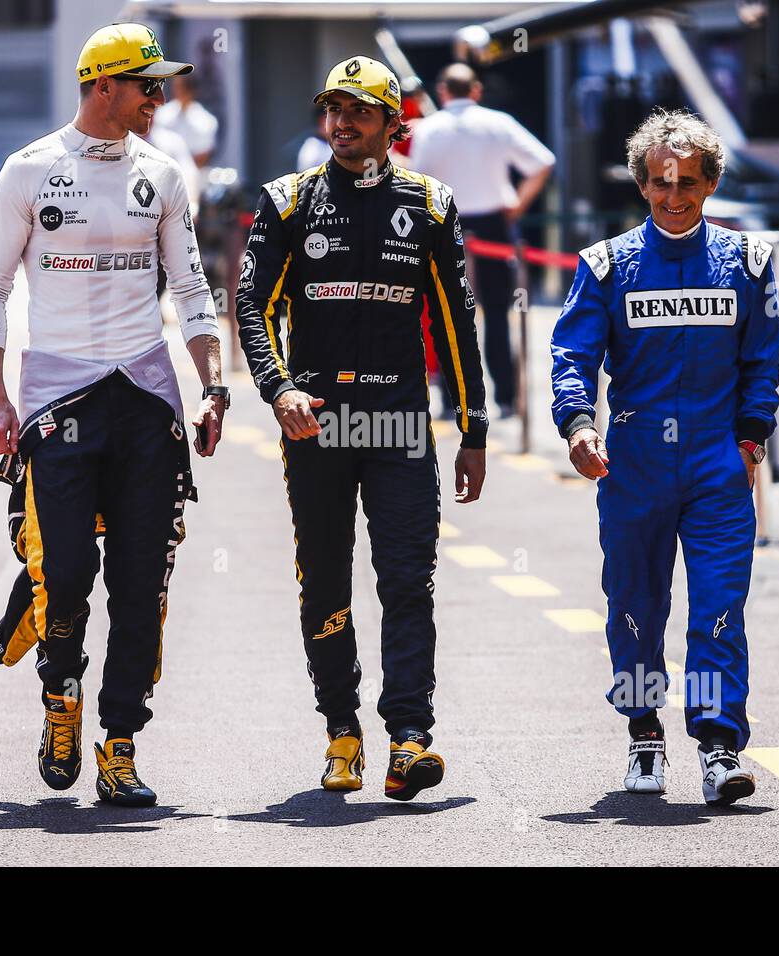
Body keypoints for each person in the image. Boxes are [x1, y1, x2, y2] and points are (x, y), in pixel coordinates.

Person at [0, 22, 227, 808]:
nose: (160, 97)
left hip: (148, 398)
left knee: (143, 583)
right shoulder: (31, 169)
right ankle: (60, 697)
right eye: (148, 85)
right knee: (67, 573)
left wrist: (213, 384)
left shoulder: (164, 170)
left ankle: (120, 744)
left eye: (161, 85)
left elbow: (190, 288)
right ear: (103, 86)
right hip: (59, 398)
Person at [236, 55, 487, 802]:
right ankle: (341, 732)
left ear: (391, 124)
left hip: (402, 425)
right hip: (317, 428)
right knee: (327, 585)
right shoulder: (288, 200)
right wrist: (278, 389)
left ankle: (409, 740)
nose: (341, 126)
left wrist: (473, 430)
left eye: (359, 113)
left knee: (409, 581)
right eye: (332, 112)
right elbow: (250, 305)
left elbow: (457, 321)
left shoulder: (431, 202)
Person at [550, 110, 779, 806]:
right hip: (635, 461)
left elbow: (762, 361)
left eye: (686, 182)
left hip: (716, 464)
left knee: (717, 611)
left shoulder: (747, 262)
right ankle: (644, 733)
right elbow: (571, 354)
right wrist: (578, 425)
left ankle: (718, 745)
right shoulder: (607, 263)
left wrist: (750, 436)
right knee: (635, 608)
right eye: (658, 183)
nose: (672, 196)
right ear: (641, 185)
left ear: (711, 182)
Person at [410, 63, 554, 418]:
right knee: (498, 315)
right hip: (493, 225)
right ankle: (504, 398)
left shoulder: (430, 130)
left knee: (448, 314)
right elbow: (543, 161)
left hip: (448, 224)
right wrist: (518, 205)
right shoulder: (497, 122)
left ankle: (449, 399)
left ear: (443, 91)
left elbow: (416, 182)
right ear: (475, 90)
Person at [155, 74, 218, 168]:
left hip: (193, 177)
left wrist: (182, 167)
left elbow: (203, 157)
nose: (177, 91)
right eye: (176, 87)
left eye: (181, 87)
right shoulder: (162, 115)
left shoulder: (206, 121)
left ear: (192, 90)